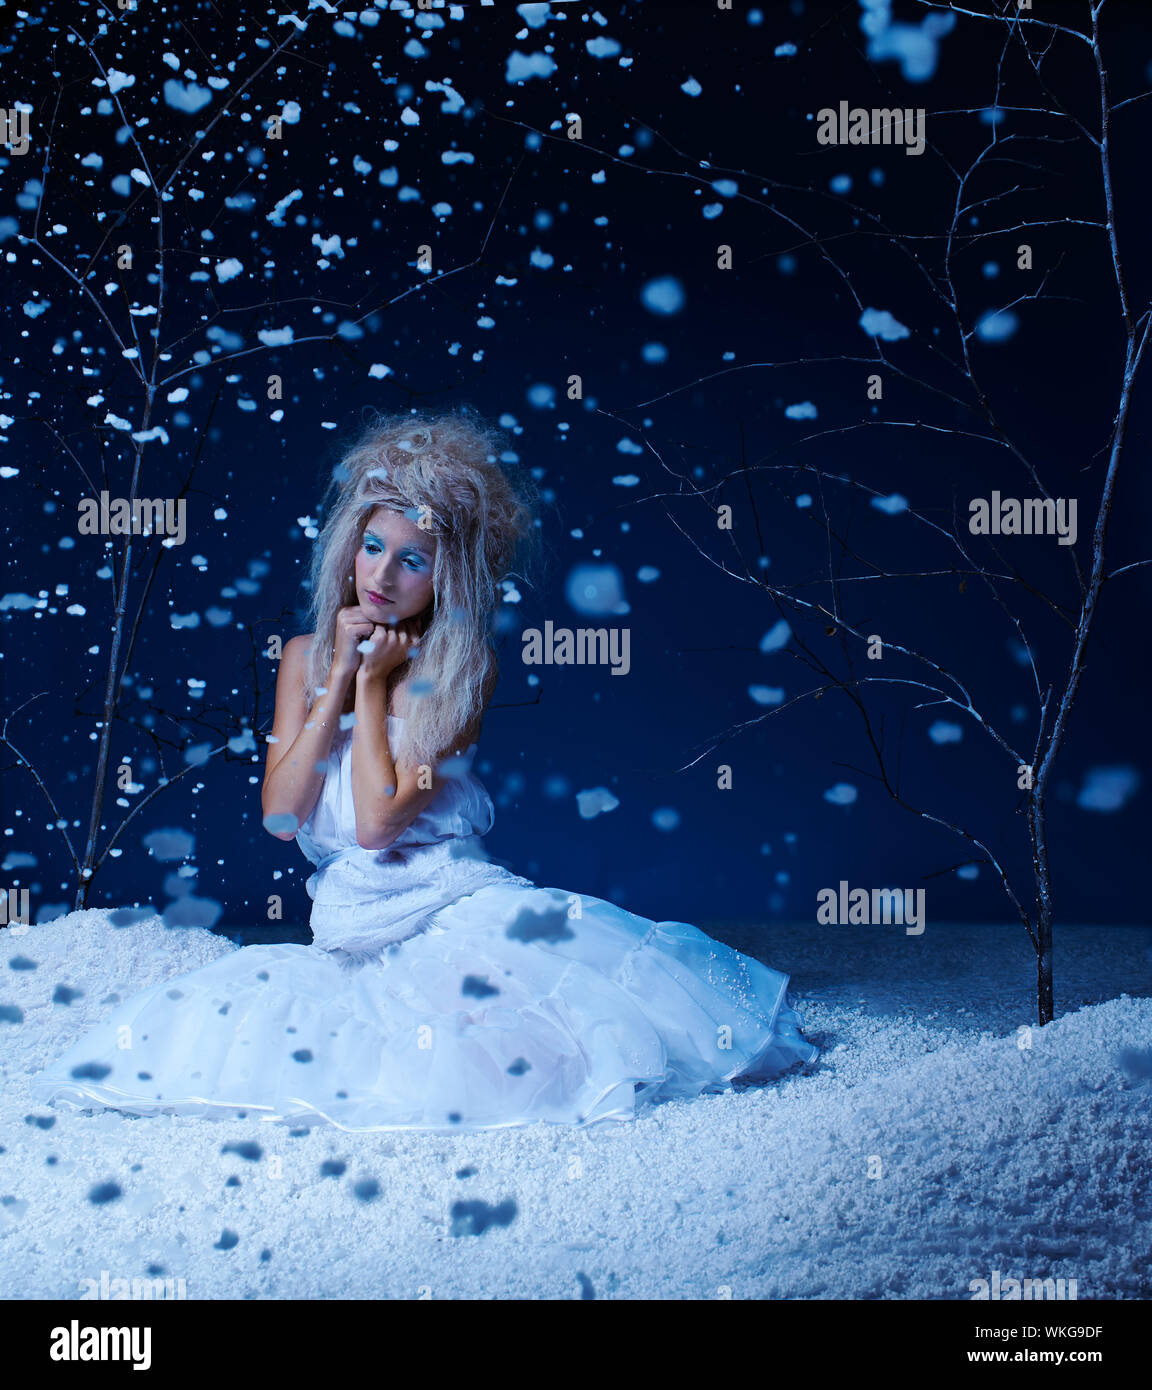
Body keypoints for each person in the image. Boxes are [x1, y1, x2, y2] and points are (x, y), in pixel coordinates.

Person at [31, 411, 818, 1132]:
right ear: (348, 545)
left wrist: (374, 689)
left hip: (448, 903)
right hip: (348, 922)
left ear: (445, 577)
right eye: (373, 547)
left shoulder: (462, 664)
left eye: (413, 561)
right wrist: (338, 676)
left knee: (509, 1056)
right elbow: (280, 815)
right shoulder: (305, 657)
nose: (383, 575)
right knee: (269, 1032)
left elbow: (377, 824)